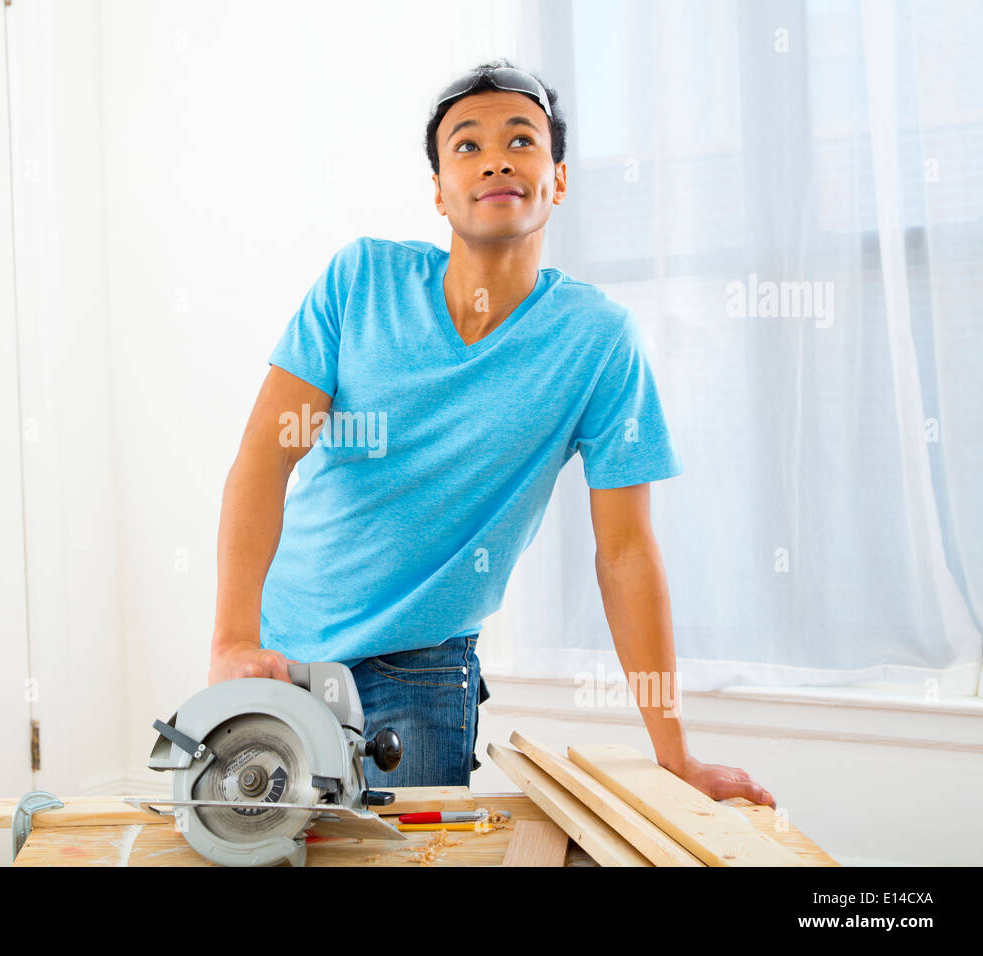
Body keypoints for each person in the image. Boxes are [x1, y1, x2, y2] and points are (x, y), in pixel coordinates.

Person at [208, 59, 774, 807]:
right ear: (440, 191)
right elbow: (264, 458)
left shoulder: (597, 341)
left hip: (420, 674)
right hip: (281, 655)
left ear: (558, 178)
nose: (496, 158)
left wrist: (675, 754)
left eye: (521, 139)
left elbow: (627, 551)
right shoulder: (360, 283)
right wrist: (232, 639)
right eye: (466, 146)